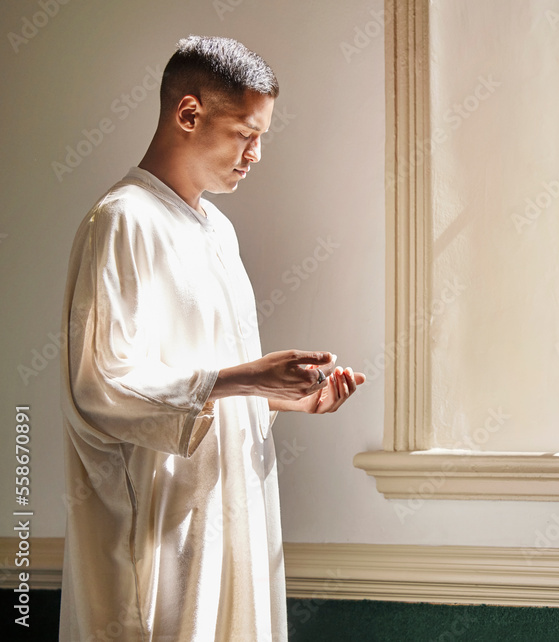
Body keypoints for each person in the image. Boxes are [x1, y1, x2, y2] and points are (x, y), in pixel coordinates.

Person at [58, 35, 364, 641]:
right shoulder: (121, 220)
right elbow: (100, 384)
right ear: (189, 114)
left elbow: (205, 384)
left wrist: (283, 396)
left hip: (230, 508)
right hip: (159, 522)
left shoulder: (217, 230)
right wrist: (249, 376)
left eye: (262, 137)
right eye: (246, 133)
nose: (256, 154)